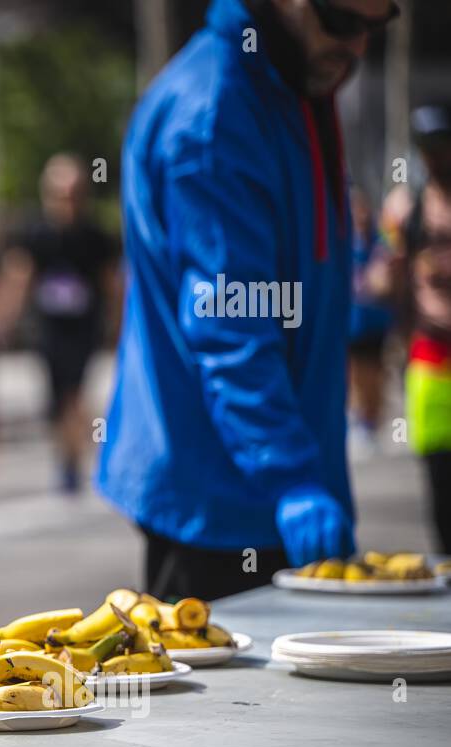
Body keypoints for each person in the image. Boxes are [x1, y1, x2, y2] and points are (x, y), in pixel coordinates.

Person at [98, 0, 398, 602]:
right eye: (342, 23)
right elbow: (231, 323)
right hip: (220, 502)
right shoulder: (216, 112)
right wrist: (290, 477)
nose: (359, 46)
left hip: (267, 487)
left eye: (377, 24)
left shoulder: (290, 84)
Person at [0, 154, 119, 493]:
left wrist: (119, 327)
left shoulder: (95, 236)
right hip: (49, 329)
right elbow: (17, 278)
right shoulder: (34, 232)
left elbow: (113, 284)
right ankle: (67, 454)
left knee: (76, 393)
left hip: (84, 328)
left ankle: (74, 461)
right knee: (56, 397)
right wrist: (2, 321)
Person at [371, 103, 451, 552]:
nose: (436, 157)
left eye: (442, 146)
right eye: (428, 149)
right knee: (440, 476)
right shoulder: (406, 209)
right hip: (430, 358)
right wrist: (393, 272)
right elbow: (382, 277)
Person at [346, 186, 392, 456]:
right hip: (353, 322)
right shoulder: (347, 243)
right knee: (356, 373)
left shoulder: (380, 240)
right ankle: (361, 420)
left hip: (375, 321)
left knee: (375, 373)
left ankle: (373, 421)